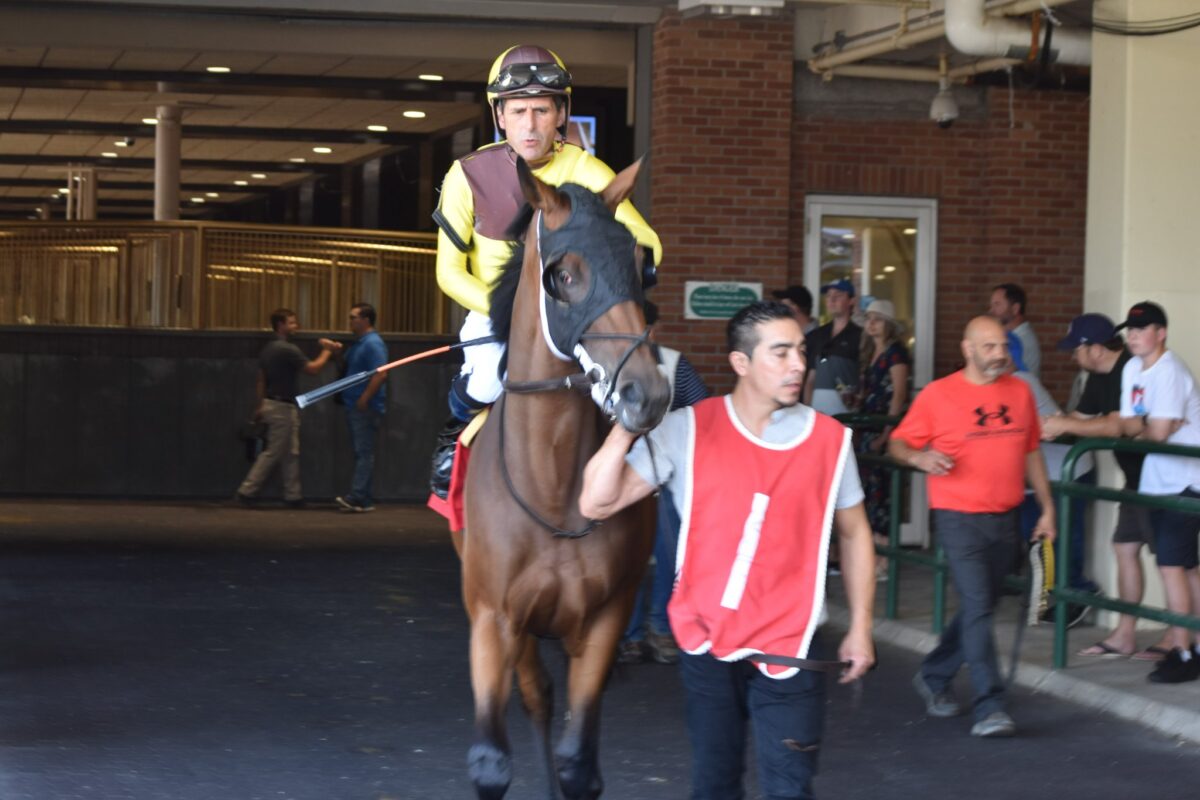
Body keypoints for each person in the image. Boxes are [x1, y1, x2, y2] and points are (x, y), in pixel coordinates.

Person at [580, 300, 875, 800]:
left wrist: (862, 627)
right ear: (741, 363)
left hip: (792, 645)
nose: (799, 365)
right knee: (714, 786)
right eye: (780, 353)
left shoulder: (831, 440)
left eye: (801, 351)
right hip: (705, 641)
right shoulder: (687, 428)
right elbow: (595, 501)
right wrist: (627, 426)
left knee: (790, 790)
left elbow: (855, 533)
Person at [428, 44, 663, 500]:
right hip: (497, 312)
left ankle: (651, 467)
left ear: (561, 114)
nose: (530, 124)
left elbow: (650, 243)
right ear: (499, 115)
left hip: (577, 313)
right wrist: (510, 314)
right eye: (518, 111)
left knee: (656, 375)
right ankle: (453, 432)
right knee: (487, 377)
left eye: (541, 110)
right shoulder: (466, 175)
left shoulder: (588, 170)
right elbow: (448, 272)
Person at [889, 316, 1055, 738]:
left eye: (1002, 346)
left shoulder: (1019, 392)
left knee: (980, 607)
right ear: (968, 349)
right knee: (980, 606)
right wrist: (919, 458)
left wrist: (1047, 508)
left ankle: (934, 673)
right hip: (957, 516)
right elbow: (898, 442)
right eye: (989, 347)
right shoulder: (938, 395)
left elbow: (1032, 451)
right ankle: (990, 704)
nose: (999, 354)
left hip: (1006, 517)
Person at [1041, 313, 1173, 660]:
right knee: (1125, 549)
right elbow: (1081, 422)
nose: (1072, 356)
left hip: (1166, 480)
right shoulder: (1096, 378)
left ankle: (1179, 636)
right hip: (1136, 480)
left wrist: (1061, 424)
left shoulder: (1131, 369)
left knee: (1176, 564)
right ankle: (1125, 634)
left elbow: (1115, 426)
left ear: (1095, 349)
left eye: (1076, 349)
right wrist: (1050, 426)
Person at [617, 300, 710, 665]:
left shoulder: (673, 364)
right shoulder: (605, 364)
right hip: (623, 477)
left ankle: (660, 626)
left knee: (671, 555)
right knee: (625, 559)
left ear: (652, 331)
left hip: (666, 475)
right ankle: (629, 632)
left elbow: (701, 409)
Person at [1115, 301, 1200, 683]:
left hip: (1186, 482)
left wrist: (1148, 426)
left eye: (1141, 328)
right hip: (1156, 482)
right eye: (1129, 330)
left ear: (1160, 333)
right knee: (1187, 568)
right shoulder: (1133, 367)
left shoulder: (1170, 370)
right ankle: (1193, 644)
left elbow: (1158, 434)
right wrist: (1151, 424)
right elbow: (1129, 424)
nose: (1133, 335)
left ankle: (1182, 650)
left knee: (1171, 566)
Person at [1006, 332, 1099, 624]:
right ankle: (1044, 598)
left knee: (1062, 537)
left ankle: (1080, 593)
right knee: (1033, 534)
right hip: (1038, 474)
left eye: (999, 348)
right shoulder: (1002, 384)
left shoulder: (1022, 381)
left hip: (1067, 470)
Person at [236, 308, 341, 508]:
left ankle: (293, 495)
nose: (296, 326)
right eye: (292, 322)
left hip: (272, 403)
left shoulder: (268, 349)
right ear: (281, 325)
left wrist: (260, 406)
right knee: (274, 451)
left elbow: (261, 379)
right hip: (282, 407)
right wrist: (327, 350)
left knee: (289, 452)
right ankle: (247, 490)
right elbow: (313, 369)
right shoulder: (287, 349)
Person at [855, 299, 910, 579]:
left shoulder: (895, 354)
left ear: (888, 324)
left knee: (882, 494)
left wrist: (889, 433)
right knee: (867, 493)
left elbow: (898, 395)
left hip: (883, 429)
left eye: (877, 318)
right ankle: (873, 557)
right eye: (869, 318)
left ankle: (884, 559)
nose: (871, 323)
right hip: (866, 429)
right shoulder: (870, 353)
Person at [335, 302, 388, 513]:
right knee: (362, 451)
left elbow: (381, 372)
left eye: (353, 317)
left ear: (365, 320)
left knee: (363, 451)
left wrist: (365, 398)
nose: (350, 321)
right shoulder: (361, 343)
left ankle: (358, 496)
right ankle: (362, 497)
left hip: (363, 406)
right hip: (357, 403)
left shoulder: (372, 344)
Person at [802, 278, 863, 416]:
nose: (832, 299)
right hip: (817, 414)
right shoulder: (816, 335)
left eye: (838, 295)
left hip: (847, 415)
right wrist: (806, 413)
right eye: (828, 296)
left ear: (851, 301)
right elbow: (811, 379)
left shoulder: (861, 336)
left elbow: (864, 378)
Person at [989, 282, 1041, 377]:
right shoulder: (1015, 335)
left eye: (997, 304)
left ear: (1015, 308)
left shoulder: (1020, 339)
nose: (991, 311)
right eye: (992, 305)